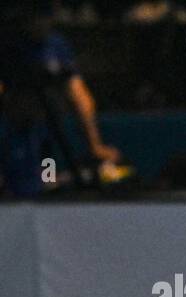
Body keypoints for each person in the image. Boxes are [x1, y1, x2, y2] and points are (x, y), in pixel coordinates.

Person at [0, 1, 122, 197]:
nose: (39, 23)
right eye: (34, 17)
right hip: (16, 131)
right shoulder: (9, 47)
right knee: (22, 183)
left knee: (48, 180)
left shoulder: (56, 46)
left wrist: (94, 145)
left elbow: (79, 95)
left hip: (49, 133)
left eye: (44, 16)